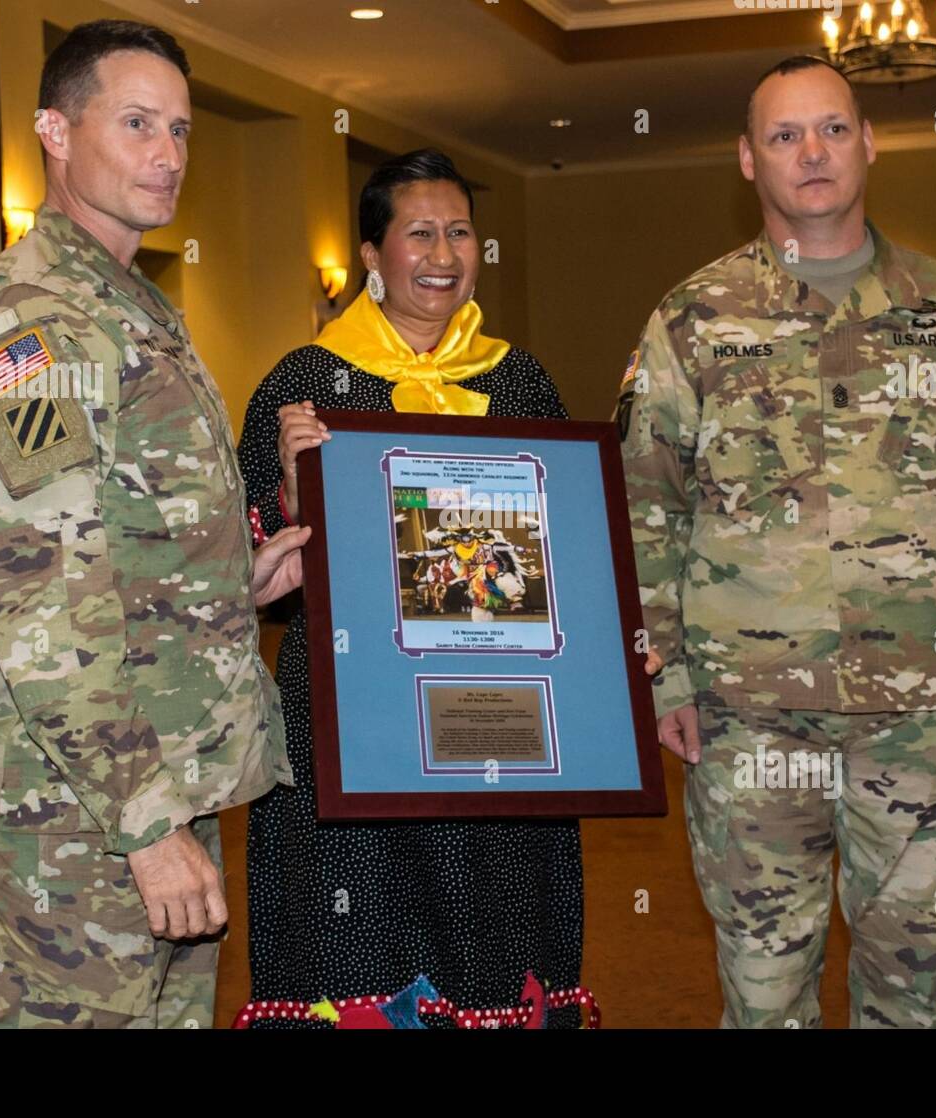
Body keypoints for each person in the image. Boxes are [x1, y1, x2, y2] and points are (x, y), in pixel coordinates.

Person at [620, 56, 936, 1028]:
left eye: (829, 128)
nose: (809, 153)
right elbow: (641, 511)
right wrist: (664, 675)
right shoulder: (692, 324)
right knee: (763, 987)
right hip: (748, 716)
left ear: (869, 140)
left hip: (919, 713)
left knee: (913, 981)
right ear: (746, 159)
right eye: (783, 135)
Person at [0, 19, 308, 1028]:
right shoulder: (26, 321)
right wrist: (143, 824)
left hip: (160, 758)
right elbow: (39, 591)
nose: (169, 155)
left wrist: (241, 576)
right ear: (54, 129)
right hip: (80, 802)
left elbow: (126, 533)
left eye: (181, 130)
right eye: (138, 123)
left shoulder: (134, 304)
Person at [239, 149, 582, 1027]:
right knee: (361, 923)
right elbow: (256, 579)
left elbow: (565, 553)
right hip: (354, 712)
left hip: (499, 705)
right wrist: (286, 488)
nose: (443, 252)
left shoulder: (518, 380)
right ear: (370, 255)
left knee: (500, 921)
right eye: (418, 232)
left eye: (460, 231)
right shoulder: (304, 383)